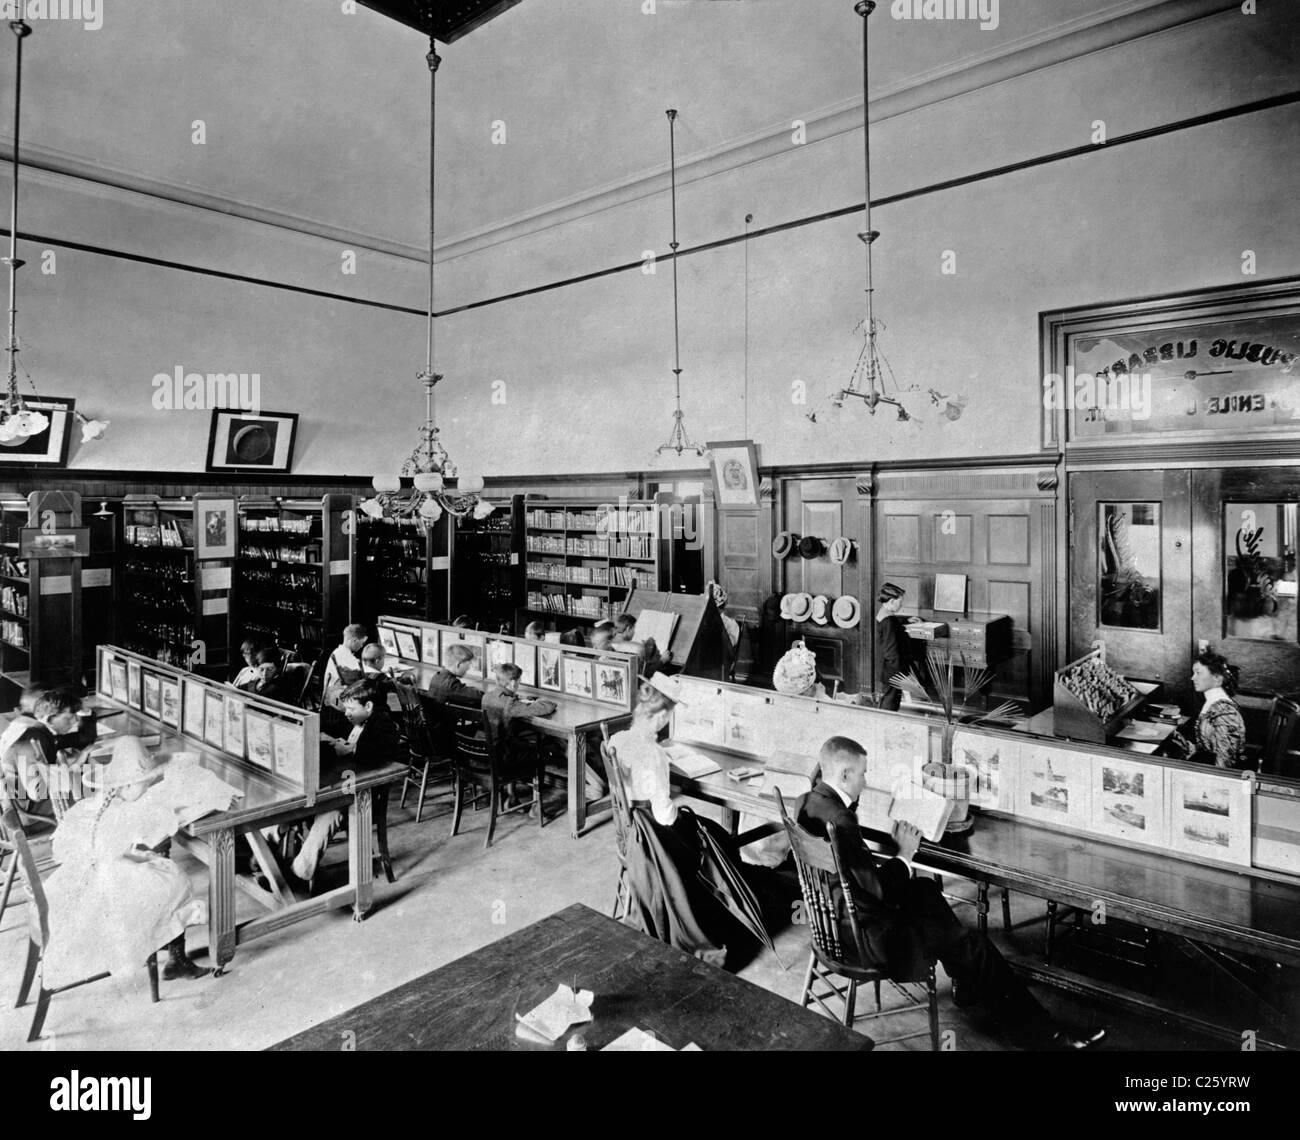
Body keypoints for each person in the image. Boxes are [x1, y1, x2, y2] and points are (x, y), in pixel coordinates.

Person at [798, 736, 1105, 1050]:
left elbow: (854, 873)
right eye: (862, 774)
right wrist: (904, 854)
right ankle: (1044, 1035)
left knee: (923, 889)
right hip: (868, 939)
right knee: (976, 945)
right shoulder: (842, 820)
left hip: (834, 925)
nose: (866, 780)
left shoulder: (809, 801)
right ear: (845, 775)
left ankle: (966, 981)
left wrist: (896, 855)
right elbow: (876, 890)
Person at [607, 673, 762, 966]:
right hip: (652, 838)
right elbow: (665, 815)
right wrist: (685, 818)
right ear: (662, 716)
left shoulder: (619, 739)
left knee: (707, 830)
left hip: (630, 831)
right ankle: (725, 910)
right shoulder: (653, 754)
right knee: (716, 836)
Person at [41, 736, 210, 988]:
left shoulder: (98, 802)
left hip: (82, 876)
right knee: (174, 878)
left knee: (161, 869)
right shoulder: (123, 812)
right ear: (130, 785)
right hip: (104, 888)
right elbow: (156, 832)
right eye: (146, 783)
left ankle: (175, 955)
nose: (149, 785)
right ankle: (176, 958)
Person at [290, 678, 402, 883]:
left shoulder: (384, 724)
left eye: (351, 708)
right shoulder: (353, 719)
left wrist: (352, 749)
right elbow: (338, 731)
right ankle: (277, 858)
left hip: (365, 795)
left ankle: (302, 869)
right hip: (344, 783)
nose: (346, 713)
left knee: (329, 813)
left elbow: (381, 754)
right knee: (299, 800)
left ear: (368, 706)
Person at [0, 685, 92, 820]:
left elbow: (79, 738)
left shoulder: (35, 729)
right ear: (50, 719)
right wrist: (77, 767)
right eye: (69, 718)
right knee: (95, 786)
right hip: (26, 814)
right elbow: (37, 791)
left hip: (19, 802)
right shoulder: (31, 740)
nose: (75, 721)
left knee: (91, 777)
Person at [1169, 649, 1247, 769]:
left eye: (1198, 673)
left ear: (1217, 678)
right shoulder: (1213, 702)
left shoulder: (1225, 711)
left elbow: (1225, 761)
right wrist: (1193, 748)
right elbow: (1213, 744)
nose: (1192, 678)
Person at [482, 662, 558, 777]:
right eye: (519, 681)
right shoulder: (510, 704)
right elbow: (546, 707)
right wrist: (540, 699)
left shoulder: (486, 697)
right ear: (512, 683)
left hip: (485, 751)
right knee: (544, 749)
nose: (519, 684)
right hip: (503, 757)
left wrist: (517, 697)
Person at [875, 582, 916, 711]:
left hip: (887, 669)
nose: (901, 605)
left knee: (888, 699)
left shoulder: (883, 613)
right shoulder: (889, 622)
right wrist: (900, 674)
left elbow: (892, 622)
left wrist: (906, 620)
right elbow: (891, 651)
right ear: (892, 601)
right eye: (900, 602)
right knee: (891, 703)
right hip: (893, 670)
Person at [425, 643, 483, 708]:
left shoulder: (436, 676)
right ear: (459, 665)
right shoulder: (451, 685)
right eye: (468, 665)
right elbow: (478, 697)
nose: (468, 668)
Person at [321, 624, 368, 695]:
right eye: (362, 643)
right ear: (355, 640)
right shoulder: (348, 657)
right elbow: (363, 674)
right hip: (339, 696)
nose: (361, 646)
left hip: (330, 695)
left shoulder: (337, 652)